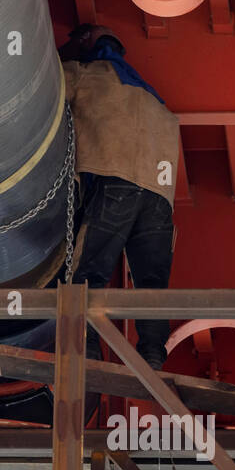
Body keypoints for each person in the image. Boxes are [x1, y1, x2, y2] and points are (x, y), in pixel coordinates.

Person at [59, 24, 179, 371]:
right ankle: (153, 352)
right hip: (159, 197)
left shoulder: (88, 74)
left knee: (88, 271)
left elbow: (44, 88)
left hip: (117, 185)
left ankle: (88, 348)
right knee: (151, 283)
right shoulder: (155, 97)